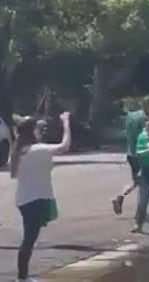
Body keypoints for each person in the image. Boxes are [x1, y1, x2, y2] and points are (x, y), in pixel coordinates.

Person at [11, 112, 71, 282]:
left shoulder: (18, 151)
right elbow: (64, 146)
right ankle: (22, 278)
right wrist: (66, 123)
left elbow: (15, 175)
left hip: (24, 199)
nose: (40, 131)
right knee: (29, 239)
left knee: (29, 238)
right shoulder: (38, 149)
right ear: (32, 132)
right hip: (35, 200)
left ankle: (23, 276)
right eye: (38, 128)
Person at [110, 100, 148, 215]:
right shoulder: (144, 118)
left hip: (131, 153)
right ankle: (141, 210)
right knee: (145, 182)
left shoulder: (129, 117)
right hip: (141, 153)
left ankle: (120, 197)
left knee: (136, 181)